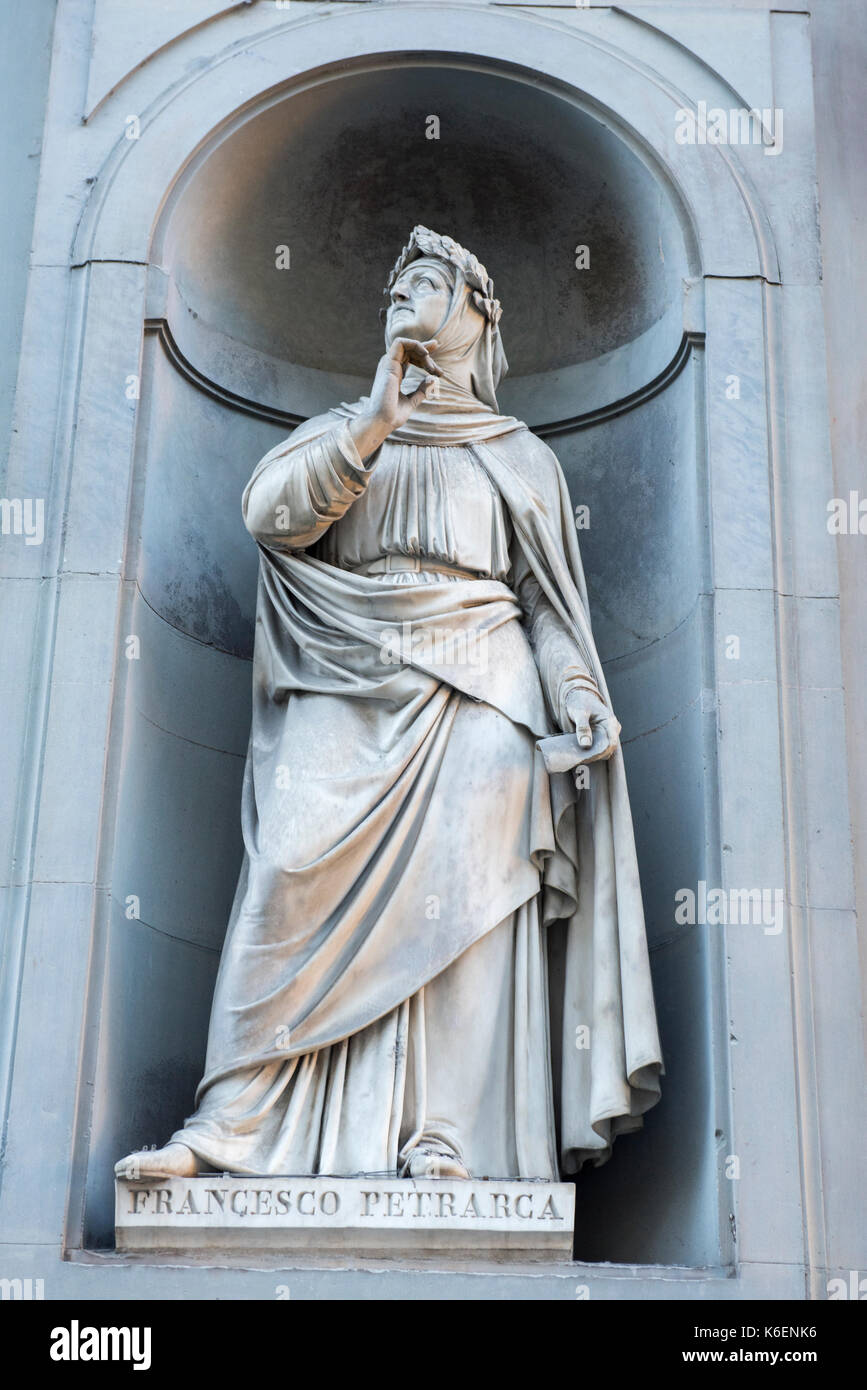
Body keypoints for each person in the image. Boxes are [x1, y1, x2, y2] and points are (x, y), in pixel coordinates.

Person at [117, 226, 662, 1184]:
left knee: (470, 906)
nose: (398, 295)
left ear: (475, 310)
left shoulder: (519, 455)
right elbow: (271, 516)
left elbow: (545, 602)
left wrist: (576, 691)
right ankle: (236, 1123)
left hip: (483, 688)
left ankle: (448, 1132)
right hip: (343, 669)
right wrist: (372, 420)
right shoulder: (342, 426)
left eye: (422, 279)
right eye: (392, 285)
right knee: (288, 863)